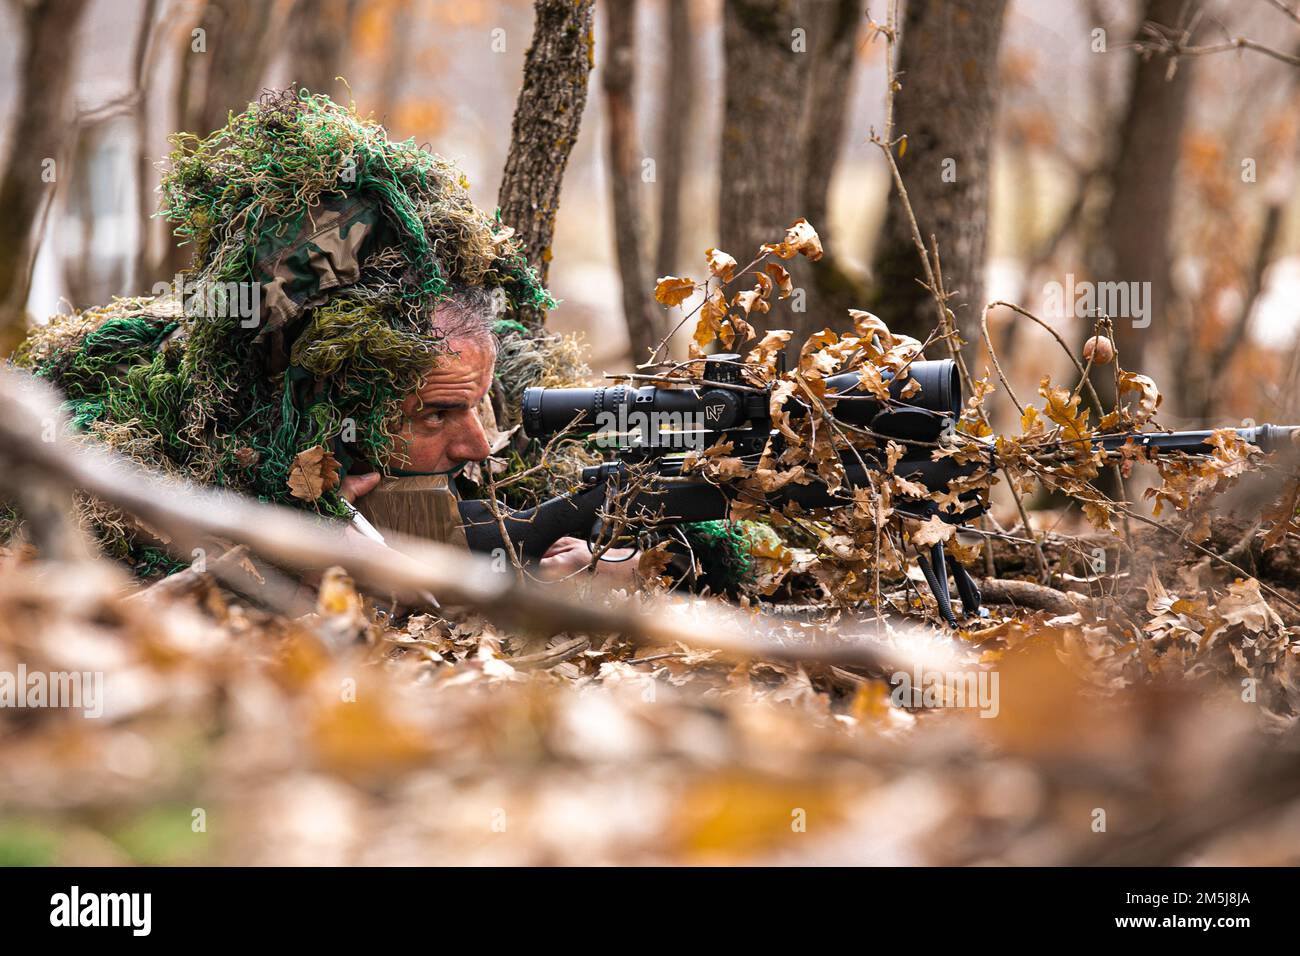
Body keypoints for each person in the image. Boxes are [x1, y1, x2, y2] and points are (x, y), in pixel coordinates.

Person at [12, 90, 635, 586]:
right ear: (330, 410)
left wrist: (595, 569)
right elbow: (73, 593)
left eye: (478, 402)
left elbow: (677, 549)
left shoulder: (512, 426)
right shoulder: (160, 444)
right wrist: (303, 556)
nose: (476, 443)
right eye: (435, 414)